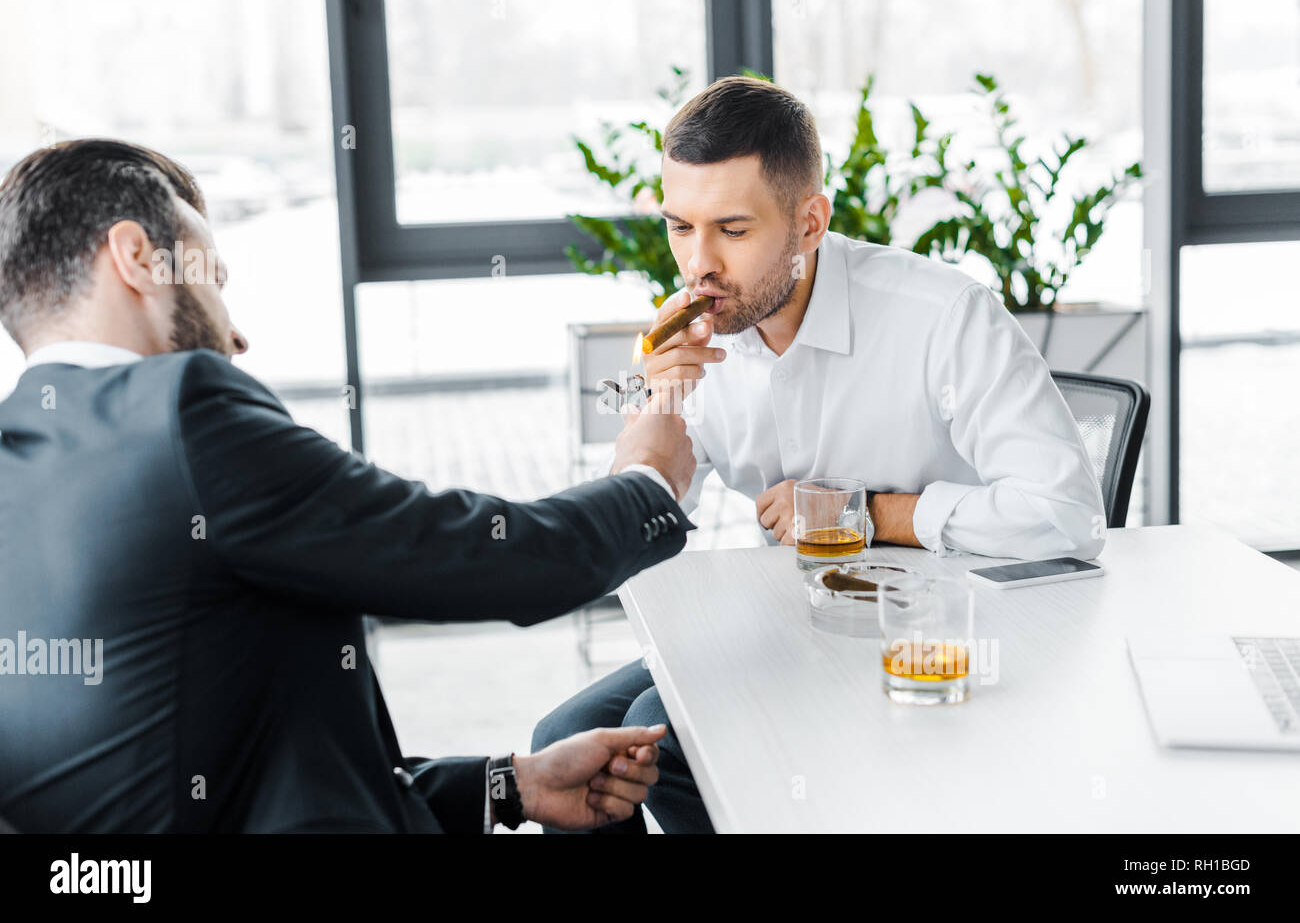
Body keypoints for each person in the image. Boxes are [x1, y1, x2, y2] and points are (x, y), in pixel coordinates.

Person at [0, 138, 698, 833]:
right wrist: (649, 477)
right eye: (212, 278)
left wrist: (507, 785)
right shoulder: (177, 407)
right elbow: (480, 556)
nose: (234, 334)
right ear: (136, 258)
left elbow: (232, 767)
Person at [533, 76, 1107, 834]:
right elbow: (642, 515)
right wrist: (657, 405)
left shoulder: (942, 316)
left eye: (732, 230)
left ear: (809, 222)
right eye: (680, 227)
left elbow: (1068, 513)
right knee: (566, 744)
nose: (696, 265)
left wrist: (869, 512)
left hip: (930, 630)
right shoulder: (698, 333)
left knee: (657, 744)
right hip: (795, 622)